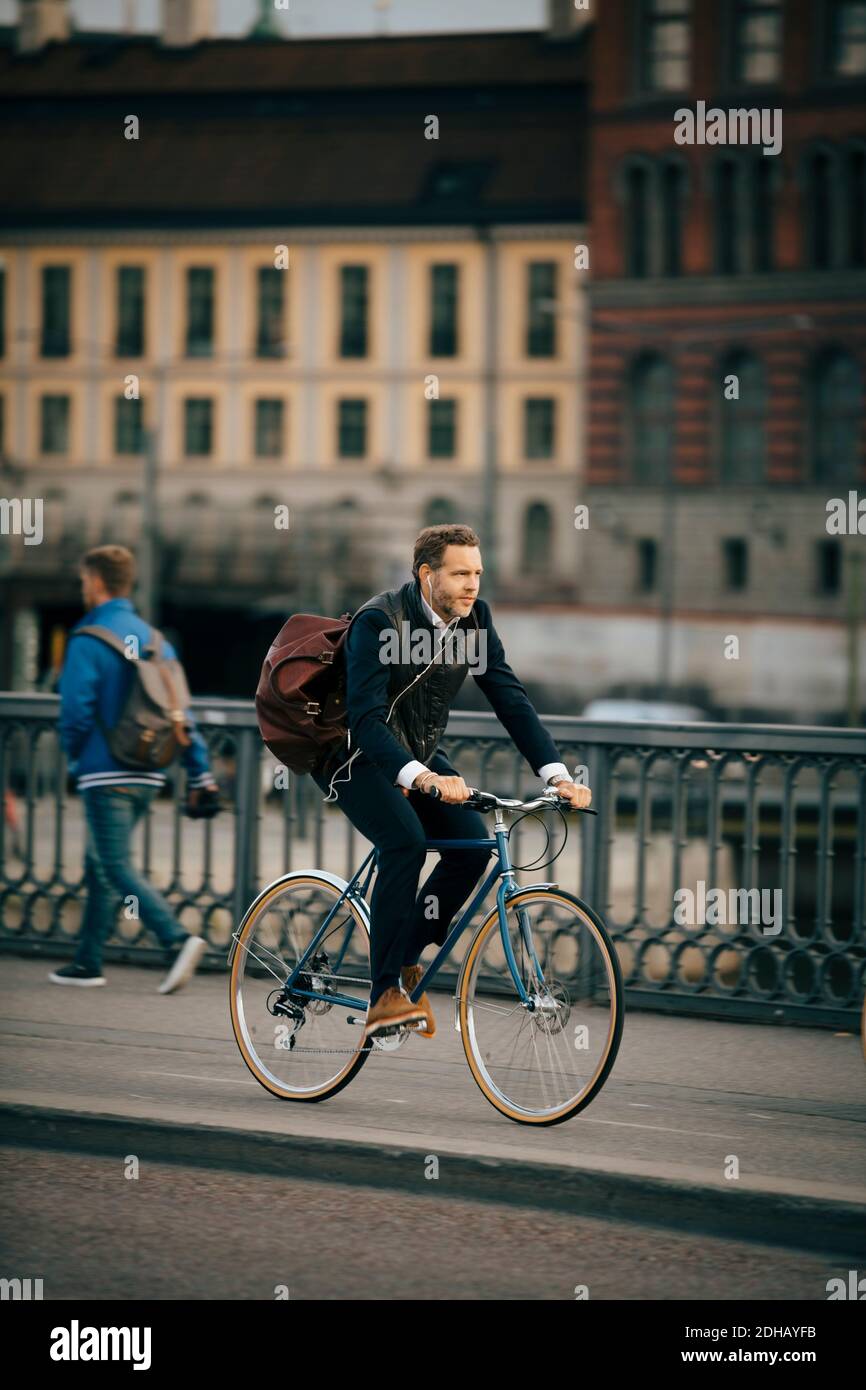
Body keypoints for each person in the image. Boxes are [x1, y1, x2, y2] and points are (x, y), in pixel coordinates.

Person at [311, 523, 591, 1039]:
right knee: (406, 842)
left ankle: (407, 952)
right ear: (426, 574)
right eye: (460, 574)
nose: (473, 585)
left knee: (471, 848)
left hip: (415, 754)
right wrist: (421, 779)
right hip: (354, 755)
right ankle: (384, 996)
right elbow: (368, 720)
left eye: (478, 573)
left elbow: (508, 696)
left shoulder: (473, 620)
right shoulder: (381, 621)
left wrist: (557, 775)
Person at [52, 545, 219, 992]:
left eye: (85, 580)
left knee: (114, 863)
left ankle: (176, 938)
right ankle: (87, 961)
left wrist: (76, 757)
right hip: (149, 770)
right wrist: (198, 769)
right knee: (99, 862)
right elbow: (181, 711)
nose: (83, 587)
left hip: (106, 773)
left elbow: (74, 713)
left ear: (97, 582)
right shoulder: (154, 639)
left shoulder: (88, 638)